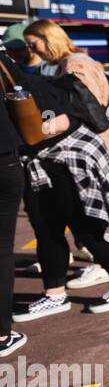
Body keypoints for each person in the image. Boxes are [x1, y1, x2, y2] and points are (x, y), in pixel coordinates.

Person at [11, 59, 109, 321]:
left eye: (32, 44)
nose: (28, 50)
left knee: (86, 226)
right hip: (38, 163)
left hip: (64, 160)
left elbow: (56, 122)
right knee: (46, 231)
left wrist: (25, 133)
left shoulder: (28, 83)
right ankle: (55, 293)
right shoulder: (22, 79)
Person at [24, 20, 109, 207]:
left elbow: (87, 108)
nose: (32, 51)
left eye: (33, 44)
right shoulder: (73, 62)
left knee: (100, 213)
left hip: (95, 141)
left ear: (49, 39)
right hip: (97, 139)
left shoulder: (75, 65)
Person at [0, 55, 28, 354]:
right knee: (1, 248)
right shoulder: (3, 59)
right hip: (4, 158)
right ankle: (1, 334)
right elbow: (25, 91)